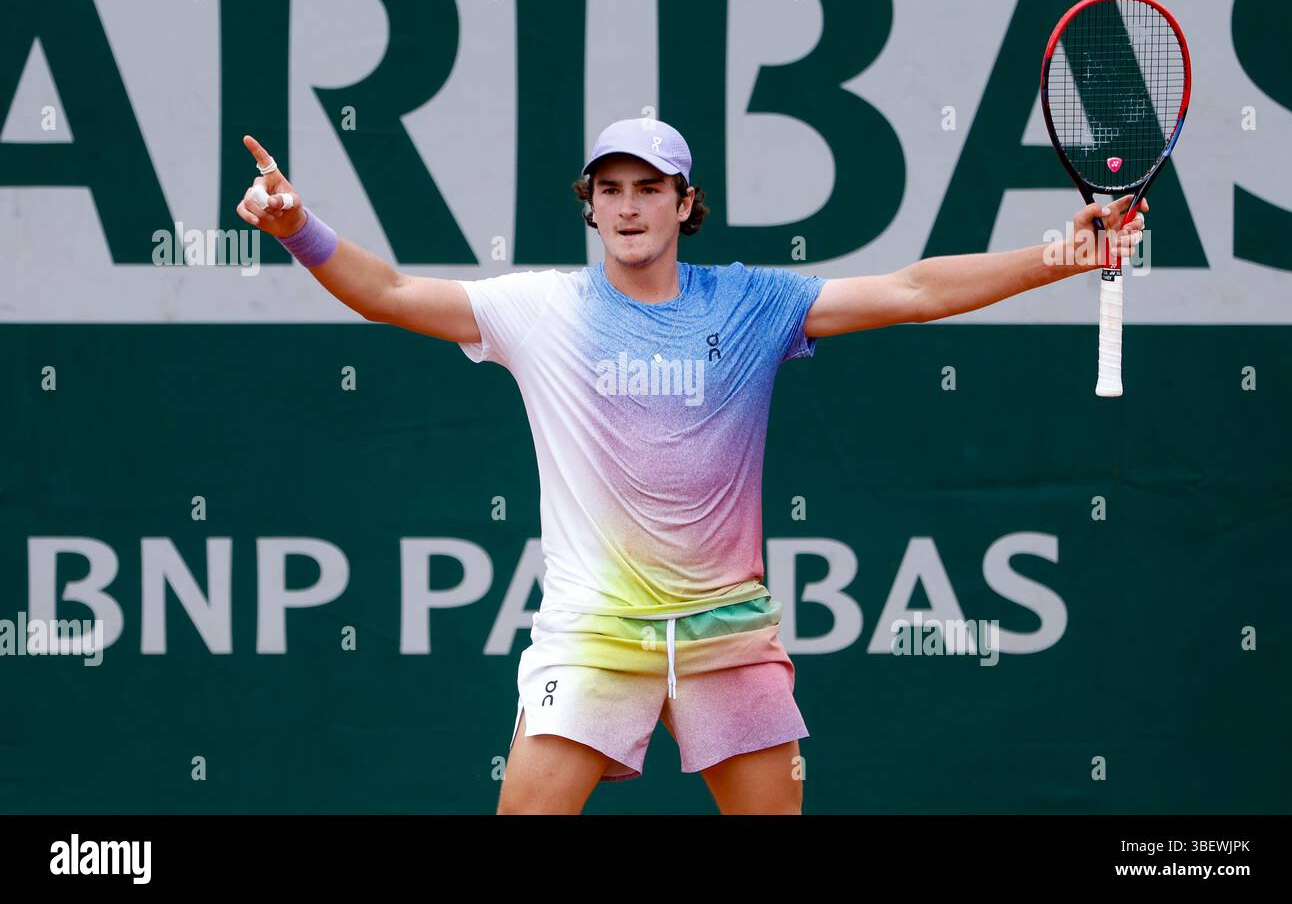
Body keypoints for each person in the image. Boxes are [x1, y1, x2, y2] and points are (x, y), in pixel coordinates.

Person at [235, 118, 1146, 815]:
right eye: (610, 188)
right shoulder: (538, 310)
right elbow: (389, 292)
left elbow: (912, 289)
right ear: (589, 205)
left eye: (649, 187)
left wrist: (1065, 252)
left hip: (727, 636)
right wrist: (296, 225)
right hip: (593, 636)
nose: (628, 205)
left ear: (683, 203)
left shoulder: (754, 304)